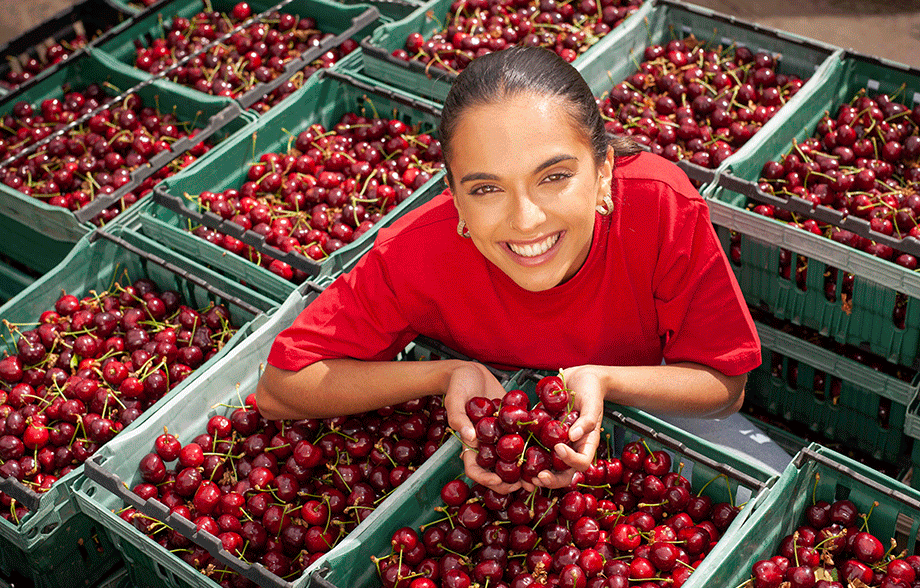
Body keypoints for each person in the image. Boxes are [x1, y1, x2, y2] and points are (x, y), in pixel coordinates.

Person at [256, 46, 767, 494]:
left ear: (603, 172)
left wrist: (604, 380)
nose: (526, 220)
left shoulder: (661, 208)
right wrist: (448, 375)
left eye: (555, 177)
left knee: (765, 491)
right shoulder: (417, 252)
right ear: (453, 195)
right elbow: (279, 389)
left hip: (651, 407)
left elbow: (724, 385)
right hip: (491, 440)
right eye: (485, 189)